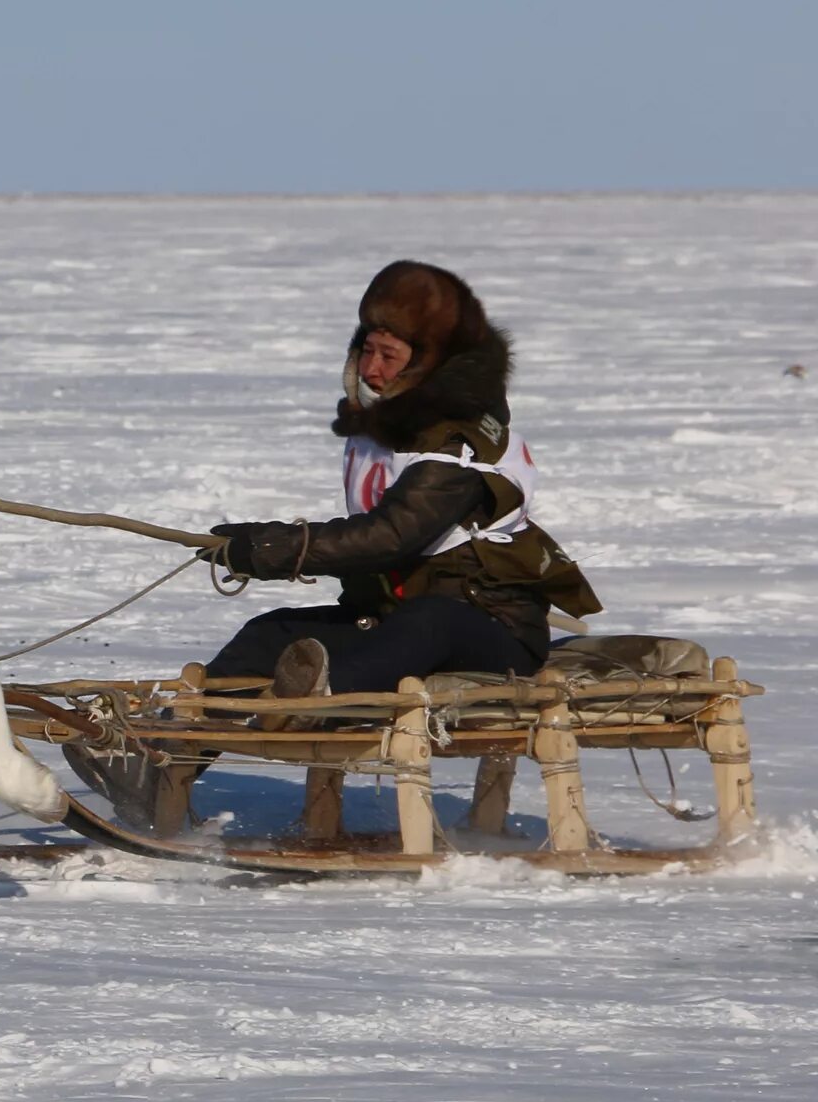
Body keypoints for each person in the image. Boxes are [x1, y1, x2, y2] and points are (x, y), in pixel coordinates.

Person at [68, 259, 598, 825]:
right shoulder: (390, 427)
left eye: (389, 356)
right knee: (267, 634)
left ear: (431, 363)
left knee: (432, 621)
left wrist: (278, 550)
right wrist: (251, 542)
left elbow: (393, 537)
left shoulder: (457, 444)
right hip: (395, 619)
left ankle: (314, 704)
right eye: (366, 350)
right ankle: (159, 766)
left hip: (493, 630)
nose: (370, 368)